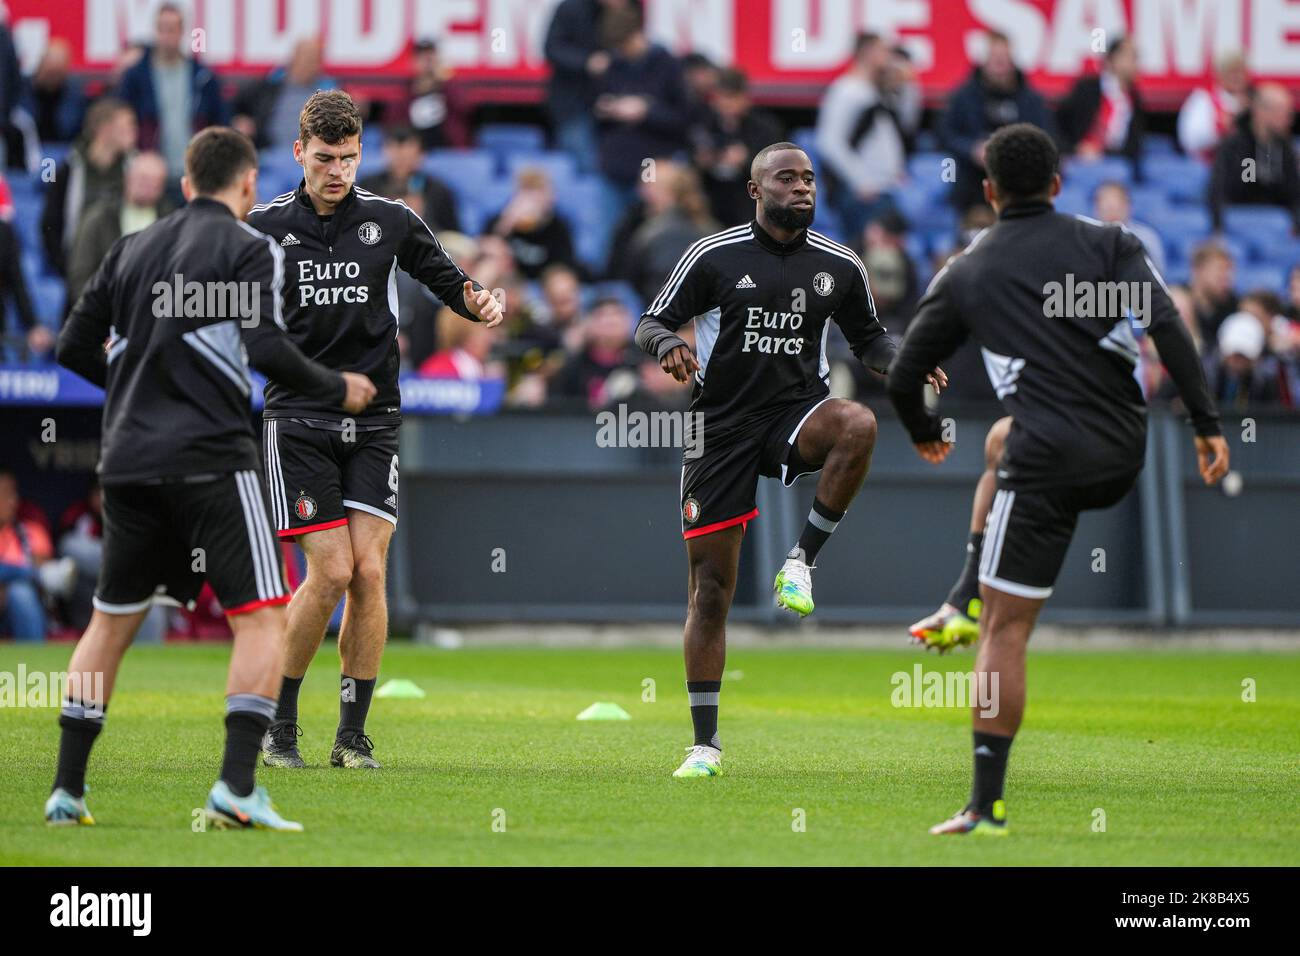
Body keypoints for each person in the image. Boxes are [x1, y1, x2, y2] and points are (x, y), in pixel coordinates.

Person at [888, 124, 1227, 835]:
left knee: (1006, 634)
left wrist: (923, 433)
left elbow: (903, 375)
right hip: (1123, 449)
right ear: (1057, 184)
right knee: (1001, 441)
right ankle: (962, 596)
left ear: (988, 192)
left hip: (1046, 462)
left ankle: (986, 805)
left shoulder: (968, 270)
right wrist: (1206, 425)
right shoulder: (1111, 242)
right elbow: (1166, 325)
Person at [47, 125, 378, 830]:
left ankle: (67, 790)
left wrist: (134, 388)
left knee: (109, 624)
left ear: (185, 183)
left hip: (129, 460)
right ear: (249, 184)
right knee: (259, 617)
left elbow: (72, 344)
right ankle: (234, 787)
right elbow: (266, 347)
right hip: (211, 459)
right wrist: (336, 386)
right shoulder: (248, 246)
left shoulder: (132, 247)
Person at [634, 141, 944, 778]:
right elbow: (650, 321)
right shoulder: (712, 255)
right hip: (718, 428)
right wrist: (667, 343)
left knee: (857, 422)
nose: (801, 188)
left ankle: (800, 562)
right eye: (785, 178)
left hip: (794, 414)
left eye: (808, 178)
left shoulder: (840, 264)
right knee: (711, 592)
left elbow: (870, 340)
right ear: (755, 190)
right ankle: (705, 744)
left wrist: (904, 360)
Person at [248, 91, 503, 770]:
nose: (339, 170)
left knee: (368, 572)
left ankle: (352, 734)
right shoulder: (264, 227)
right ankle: (280, 723)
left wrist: (481, 301)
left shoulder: (389, 220)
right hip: (298, 419)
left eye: (350, 157)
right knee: (329, 571)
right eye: (326, 158)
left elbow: (453, 284)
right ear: (299, 152)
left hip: (376, 420)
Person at [815, 32, 919, 238]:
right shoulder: (846, 91)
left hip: (884, 187)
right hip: (860, 193)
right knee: (864, 254)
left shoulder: (876, 91)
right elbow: (829, 142)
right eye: (883, 51)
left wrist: (908, 84)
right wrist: (860, 181)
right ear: (867, 52)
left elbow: (908, 123)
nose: (889, 58)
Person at [939, 31, 1053, 214]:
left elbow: (1045, 137)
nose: (999, 65)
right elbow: (946, 134)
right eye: (994, 58)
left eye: (1003, 58)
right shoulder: (963, 96)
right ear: (984, 60)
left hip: (1019, 178)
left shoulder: (1031, 99)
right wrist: (972, 149)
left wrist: (1015, 152)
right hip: (972, 177)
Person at [116, 2, 228, 188]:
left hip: (195, 170)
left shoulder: (203, 77)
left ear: (182, 31)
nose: (167, 35)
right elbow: (124, 117)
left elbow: (220, 120)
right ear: (155, 30)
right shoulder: (136, 76)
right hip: (150, 171)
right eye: (163, 29)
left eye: (172, 29)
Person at [40, 97, 137, 278]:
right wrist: (65, 269)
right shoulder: (68, 169)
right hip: (79, 268)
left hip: (124, 269)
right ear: (105, 129)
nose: (134, 132)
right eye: (127, 126)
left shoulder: (137, 169)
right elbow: (50, 223)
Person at [65, 151, 171, 304]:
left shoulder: (172, 221)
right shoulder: (99, 217)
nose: (147, 186)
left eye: (155, 182)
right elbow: (80, 273)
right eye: (143, 178)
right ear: (128, 178)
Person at [691, 68, 783, 228]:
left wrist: (747, 161)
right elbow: (690, 159)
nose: (726, 104)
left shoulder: (765, 128)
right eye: (721, 97)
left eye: (731, 97)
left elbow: (778, 171)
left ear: (745, 98)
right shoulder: (704, 125)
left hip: (749, 203)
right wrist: (702, 161)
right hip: (711, 200)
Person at [1208, 82, 1300, 234]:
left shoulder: (1284, 148)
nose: (1288, 119)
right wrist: (1219, 228)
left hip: (1274, 226)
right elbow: (1218, 190)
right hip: (1238, 223)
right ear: (1260, 111)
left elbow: (1294, 194)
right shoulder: (1233, 145)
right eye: (1282, 112)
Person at [1055, 34, 1145, 173]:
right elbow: (1060, 124)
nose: (1135, 63)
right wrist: (1074, 148)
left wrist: (1103, 152)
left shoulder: (1133, 99)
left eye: (1136, 57)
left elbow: (1134, 146)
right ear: (1111, 59)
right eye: (1130, 56)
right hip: (1078, 159)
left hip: (1114, 162)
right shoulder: (1088, 89)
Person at [232, 37, 336, 151]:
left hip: (312, 157)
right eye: (305, 58)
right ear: (293, 59)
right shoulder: (269, 87)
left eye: (314, 60)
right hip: (269, 154)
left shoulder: (330, 94)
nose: (309, 65)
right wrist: (242, 121)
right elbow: (235, 107)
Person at [357, 125, 459, 232]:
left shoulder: (437, 190)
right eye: (396, 156)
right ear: (384, 152)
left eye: (407, 157)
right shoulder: (368, 186)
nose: (401, 160)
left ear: (421, 155)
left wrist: (422, 218)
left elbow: (451, 234)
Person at [485, 166, 576, 279]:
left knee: (560, 280)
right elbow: (484, 249)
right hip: (510, 277)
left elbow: (565, 264)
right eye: (528, 192)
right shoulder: (501, 220)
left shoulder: (558, 227)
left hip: (545, 278)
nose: (533, 201)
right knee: (490, 265)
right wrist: (507, 222)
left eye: (539, 192)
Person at [1178, 52, 1251, 161]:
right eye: (1232, 73)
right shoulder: (1203, 99)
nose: (1238, 77)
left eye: (1241, 72)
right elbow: (1191, 140)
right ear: (1219, 75)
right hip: (1212, 165)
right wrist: (1219, 128)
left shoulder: (1254, 100)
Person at [1092, 180, 1166, 275]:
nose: (1112, 214)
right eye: (1107, 209)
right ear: (1096, 209)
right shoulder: (1086, 239)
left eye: (1116, 208)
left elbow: (1158, 275)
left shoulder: (1146, 238)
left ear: (1128, 207)